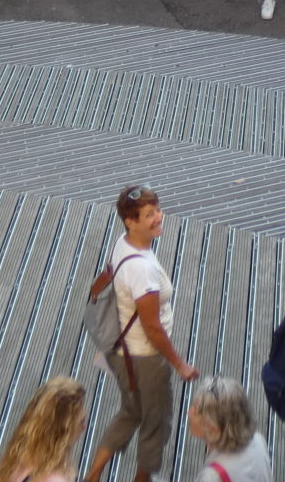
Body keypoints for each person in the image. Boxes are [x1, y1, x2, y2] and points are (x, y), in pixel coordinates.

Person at [84, 187, 198, 482]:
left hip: (122, 353)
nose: (158, 217)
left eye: (157, 210)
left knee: (131, 412)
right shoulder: (142, 271)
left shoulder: (123, 244)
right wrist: (179, 363)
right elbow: (152, 327)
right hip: (145, 359)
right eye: (149, 215)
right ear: (130, 222)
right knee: (156, 423)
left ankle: (93, 475)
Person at [0, 375, 88, 482]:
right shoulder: (55, 478)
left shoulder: (20, 449)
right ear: (61, 432)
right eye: (81, 422)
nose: (85, 427)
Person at [185, 377, 269, 482]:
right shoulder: (257, 440)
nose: (189, 412)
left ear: (213, 429)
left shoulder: (212, 476)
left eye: (196, 411)